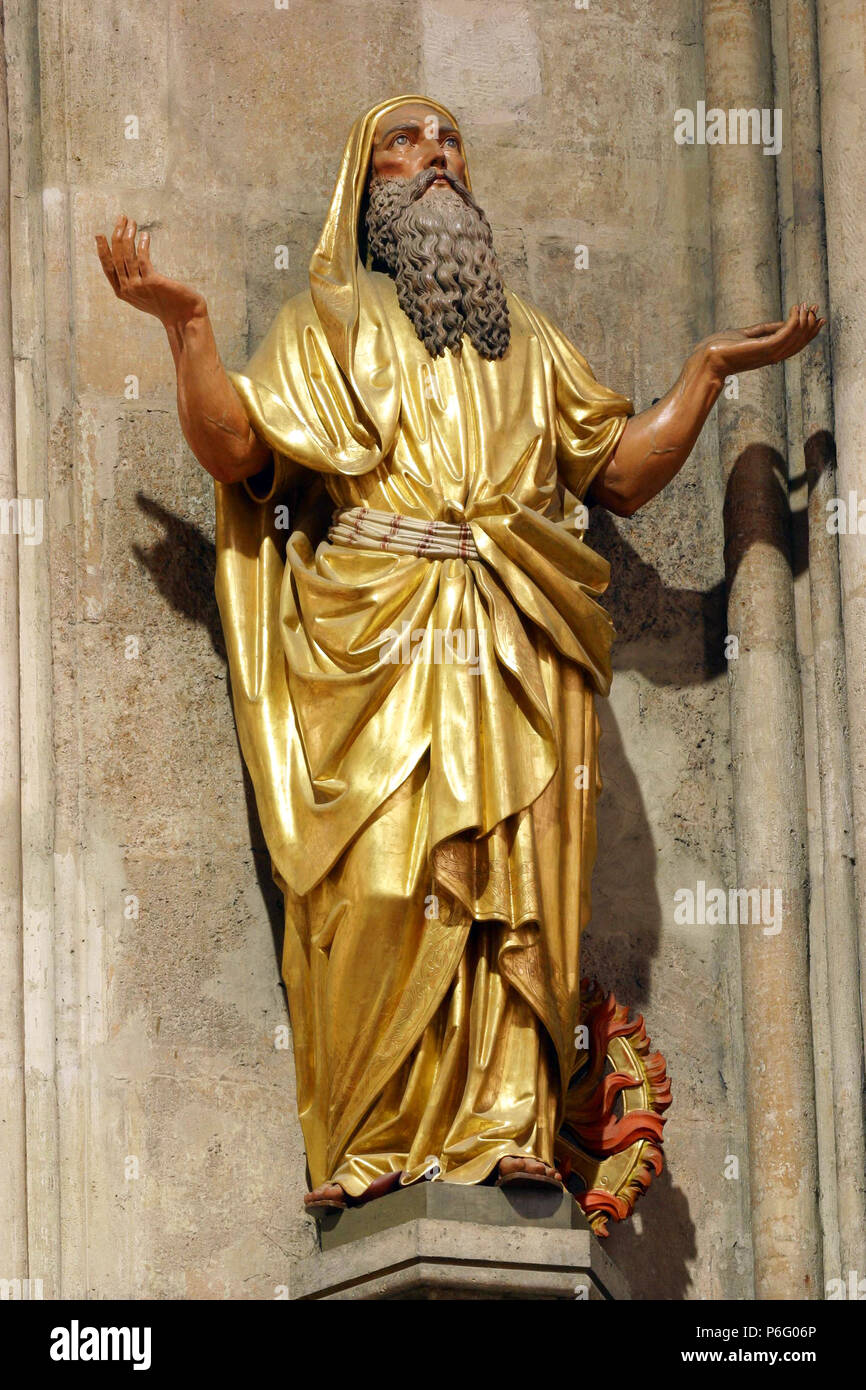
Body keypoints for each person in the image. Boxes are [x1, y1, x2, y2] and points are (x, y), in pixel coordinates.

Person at [96, 94, 823, 1212]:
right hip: (375, 647)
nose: (434, 154)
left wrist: (707, 372)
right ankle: (374, 1137)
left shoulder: (524, 338)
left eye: (448, 140)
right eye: (404, 141)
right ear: (366, 182)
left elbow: (617, 471)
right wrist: (185, 325)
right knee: (383, 884)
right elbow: (241, 446)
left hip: (513, 647)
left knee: (516, 900)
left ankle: (505, 1123)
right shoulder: (326, 321)